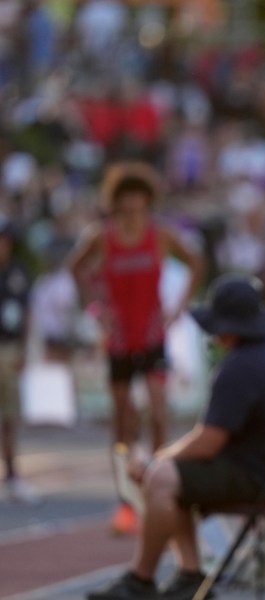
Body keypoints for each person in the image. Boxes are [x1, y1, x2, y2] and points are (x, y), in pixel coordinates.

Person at [85, 274, 265, 600]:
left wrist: (154, 461)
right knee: (173, 476)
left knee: (162, 477)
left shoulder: (240, 366)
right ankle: (189, 575)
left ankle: (141, 580)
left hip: (259, 476)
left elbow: (208, 442)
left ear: (226, 329)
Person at [67, 161, 203, 535]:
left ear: (147, 199)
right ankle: (126, 499)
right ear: (116, 199)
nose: (132, 204)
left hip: (151, 336)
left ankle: (158, 486)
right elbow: (76, 268)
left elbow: (195, 263)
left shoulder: (160, 235)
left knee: (159, 413)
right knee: (123, 419)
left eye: (138, 196)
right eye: (125, 196)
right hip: (118, 339)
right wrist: (96, 308)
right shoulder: (101, 237)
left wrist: (178, 309)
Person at [0, 218, 40, 504]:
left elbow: (27, 313)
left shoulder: (18, 272)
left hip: (10, 348)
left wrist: (25, 350)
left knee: (10, 416)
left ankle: (12, 474)